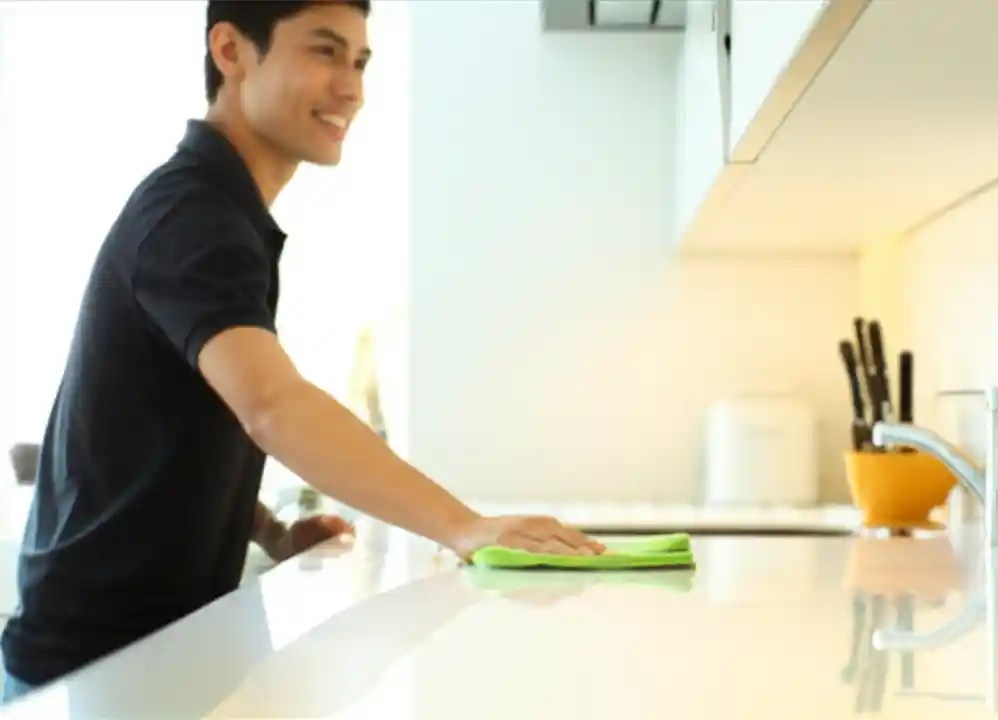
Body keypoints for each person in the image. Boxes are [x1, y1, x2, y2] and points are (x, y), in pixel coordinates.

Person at [0, 0, 604, 702]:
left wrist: (270, 530)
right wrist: (465, 525)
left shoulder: (216, 212)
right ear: (230, 50)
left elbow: (179, 422)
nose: (351, 87)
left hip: (130, 660)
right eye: (324, 52)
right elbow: (272, 405)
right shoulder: (194, 216)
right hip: (95, 673)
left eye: (360, 61)